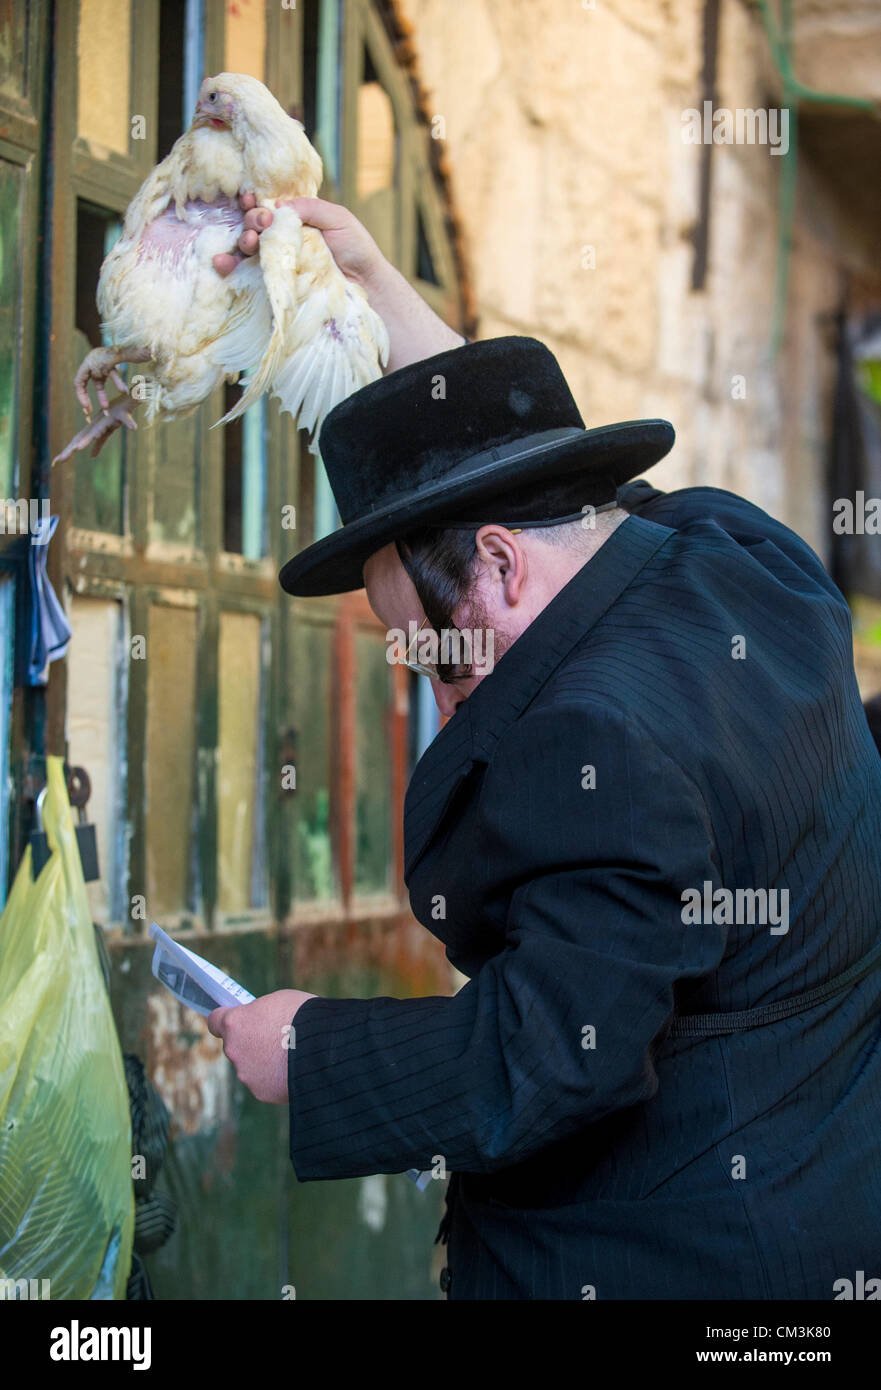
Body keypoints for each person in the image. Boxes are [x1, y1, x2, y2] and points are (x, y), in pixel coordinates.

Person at [207, 198, 881, 1300]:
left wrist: (308, 1050)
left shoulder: (600, 742)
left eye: (436, 660)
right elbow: (543, 476)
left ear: (502, 568)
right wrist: (378, 287)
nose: (440, 706)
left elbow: (553, 1050)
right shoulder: (730, 551)